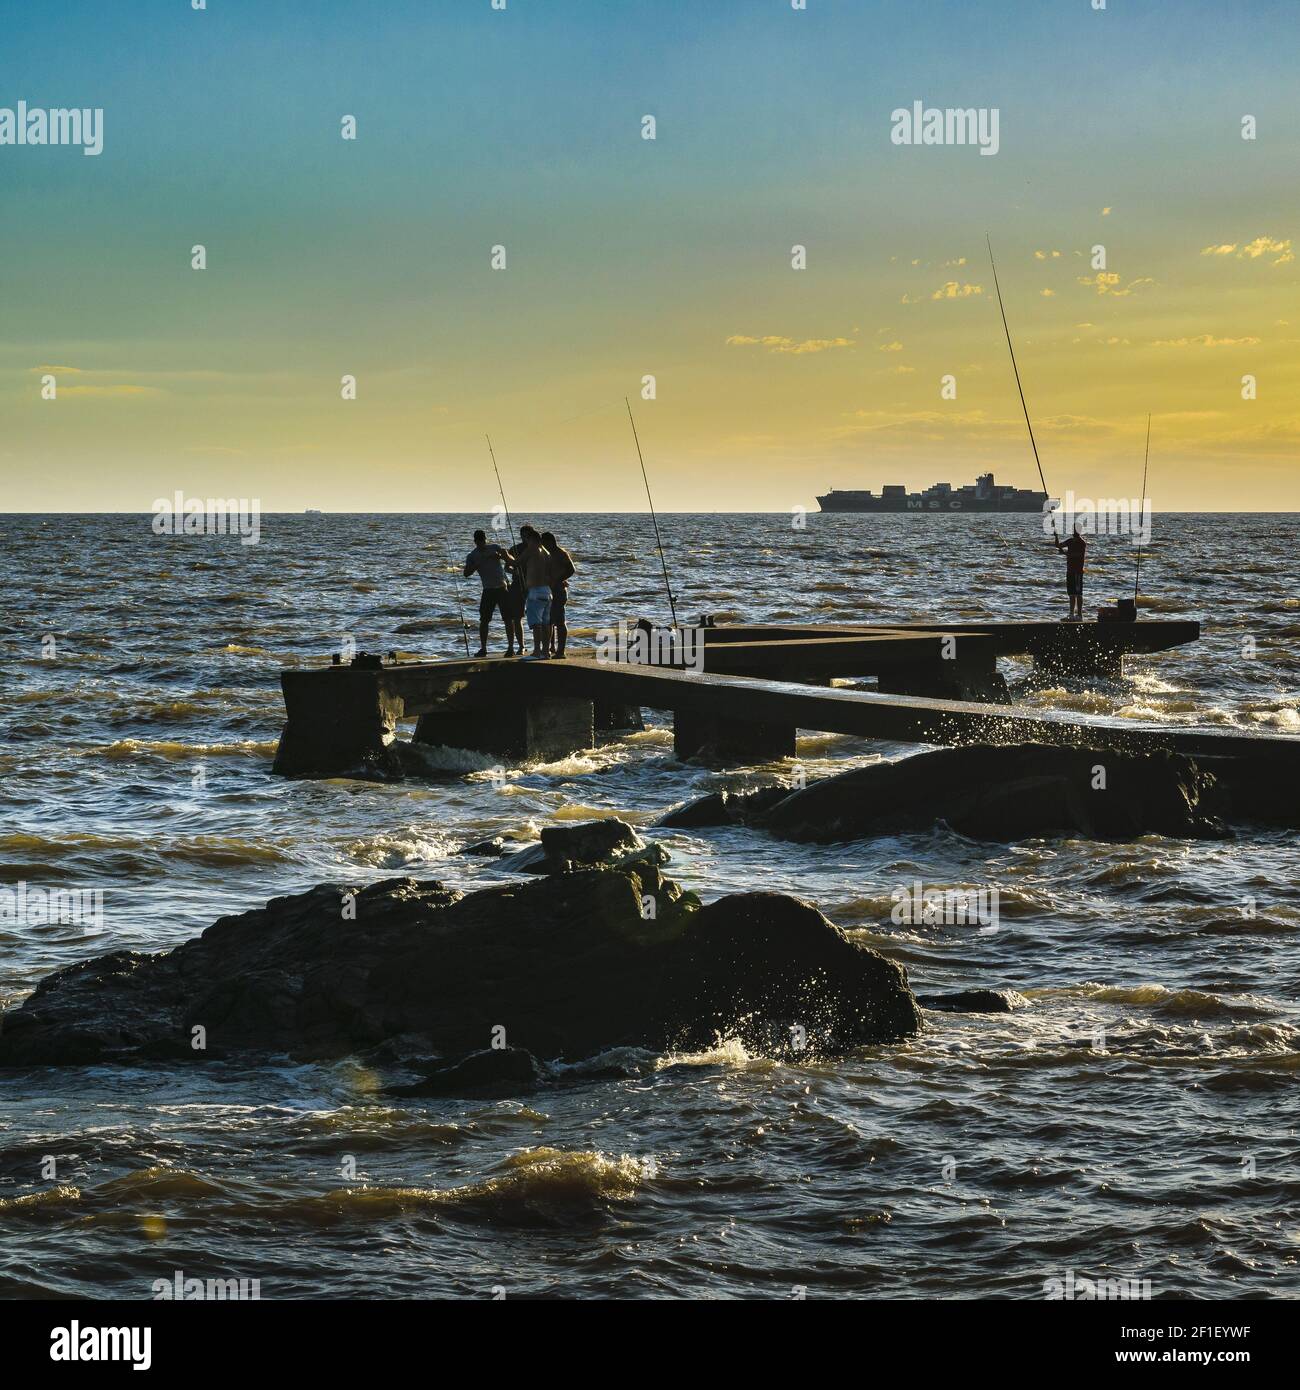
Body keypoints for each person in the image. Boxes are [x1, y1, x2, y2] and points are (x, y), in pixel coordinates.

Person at [463, 529, 516, 657]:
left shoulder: (494, 547)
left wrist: (502, 555)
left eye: (483, 540)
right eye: (479, 541)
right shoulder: (472, 556)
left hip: (502, 588)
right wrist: (477, 564)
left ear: (486, 539)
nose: (482, 543)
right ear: (475, 542)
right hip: (488, 590)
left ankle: (510, 648)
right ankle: (483, 648)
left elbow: (511, 561)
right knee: (484, 620)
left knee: (508, 619)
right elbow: (466, 573)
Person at [517, 525, 553, 658]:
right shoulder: (546, 553)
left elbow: (517, 562)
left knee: (536, 623)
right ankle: (546, 651)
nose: (526, 541)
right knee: (546, 623)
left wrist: (504, 555)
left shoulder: (531, 549)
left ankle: (537, 652)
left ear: (532, 539)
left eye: (527, 539)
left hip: (535, 592)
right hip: (547, 591)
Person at [541, 530, 575, 658]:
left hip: (559, 591)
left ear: (550, 541)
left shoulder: (561, 553)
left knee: (560, 621)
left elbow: (572, 569)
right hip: (548, 590)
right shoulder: (546, 554)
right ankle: (551, 647)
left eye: (544, 542)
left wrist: (558, 580)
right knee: (549, 620)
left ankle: (561, 651)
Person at [1052, 525, 1087, 621]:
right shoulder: (1070, 541)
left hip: (1078, 571)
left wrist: (1065, 553)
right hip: (1070, 570)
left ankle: (1079, 615)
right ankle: (1071, 614)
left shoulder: (1082, 543)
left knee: (1078, 593)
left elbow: (1078, 555)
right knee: (1071, 593)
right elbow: (1058, 545)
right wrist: (1056, 536)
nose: (1073, 532)